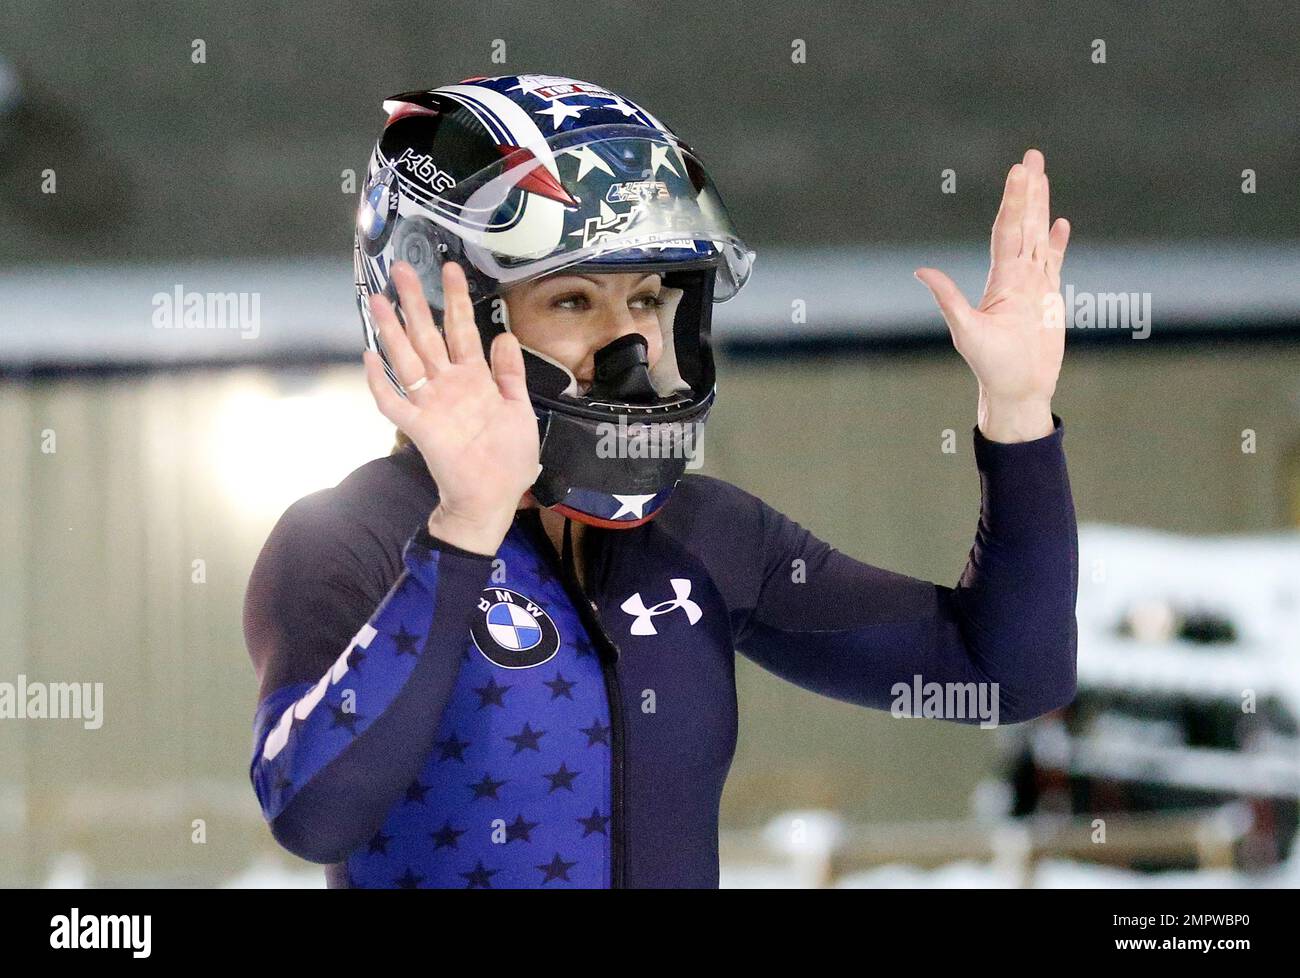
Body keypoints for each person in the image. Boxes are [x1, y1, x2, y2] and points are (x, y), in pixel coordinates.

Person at [243, 73, 1077, 888]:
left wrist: (1019, 412)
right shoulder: (348, 536)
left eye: (646, 298)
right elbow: (313, 812)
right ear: (435, 309)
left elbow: (1002, 674)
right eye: (572, 301)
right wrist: (463, 531)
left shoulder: (699, 535)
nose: (630, 343)